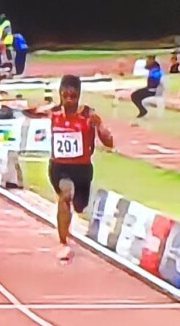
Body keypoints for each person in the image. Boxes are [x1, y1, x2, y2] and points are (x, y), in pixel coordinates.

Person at [23, 75, 115, 262]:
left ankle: (72, 219)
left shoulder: (89, 115)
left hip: (83, 169)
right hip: (59, 167)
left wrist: (99, 127)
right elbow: (29, 112)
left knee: (80, 206)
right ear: (60, 95)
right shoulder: (54, 112)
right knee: (65, 195)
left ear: (79, 95)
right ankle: (63, 243)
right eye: (65, 96)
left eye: (73, 97)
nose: (69, 101)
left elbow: (109, 142)